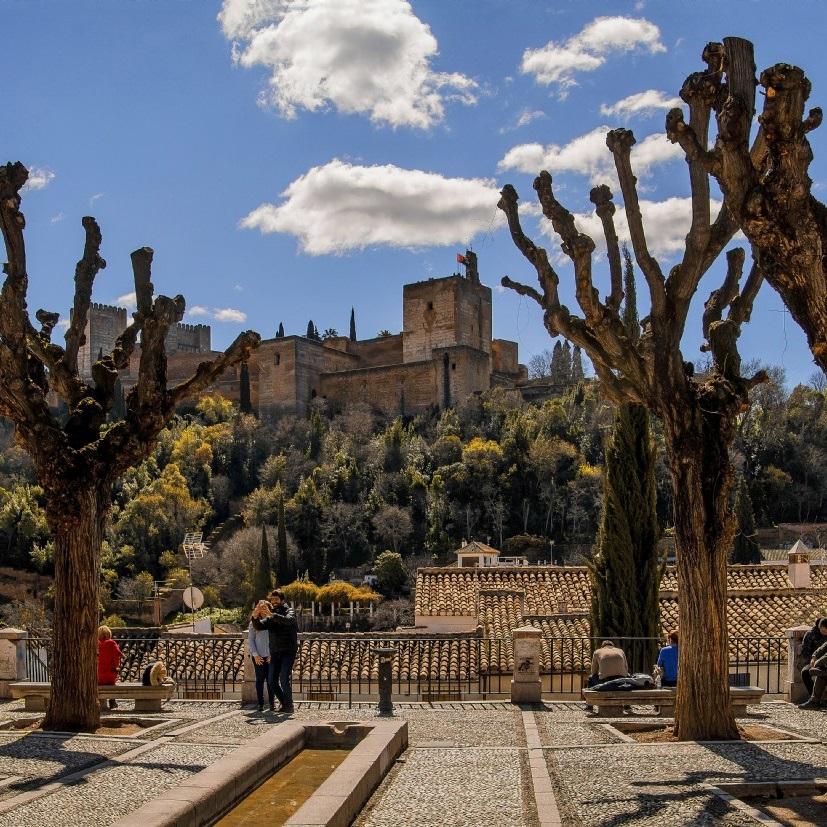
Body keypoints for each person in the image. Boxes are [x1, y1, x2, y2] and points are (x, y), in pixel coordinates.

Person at [258, 590, 298, 714]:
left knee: (284, 678)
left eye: (276, 599)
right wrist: (255, 616)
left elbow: (288, 620)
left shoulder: (289, 611)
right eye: (272, 600)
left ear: (282, 601)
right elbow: (259, 626)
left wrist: (271, 615)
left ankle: (289, 706)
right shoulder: (271, 615)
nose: (274, 602)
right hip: (275, 652)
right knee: (271, 681)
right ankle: (285, 703)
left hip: (288, 651)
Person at [586, 640, 630, 711]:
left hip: (605, 683)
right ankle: (627, 705)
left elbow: (593, 671)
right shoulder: (620, 651)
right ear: (612, 646)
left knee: (591, 678)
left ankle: (589, 705)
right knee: (628, 676)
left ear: (602, 647)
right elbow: (626, 668)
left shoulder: (597, 652)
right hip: (621, 682)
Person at [248, 601, 275, 712]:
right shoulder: (254, 623)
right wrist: (255, 655)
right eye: (261, 608)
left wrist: (272, 654)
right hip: (258, 657)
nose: (263, 610)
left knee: (271, 680)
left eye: (265, 608)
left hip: (271, 656)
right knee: (260, 680)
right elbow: (251, 639)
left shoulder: (273, 622)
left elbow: (276, 639)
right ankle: (260, 704)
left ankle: (272, 704)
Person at [97, 625, 122, 710]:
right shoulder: (111, 643)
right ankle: (112, 701)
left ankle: (111, 701)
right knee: (112, 678)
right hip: (109, 677)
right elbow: (117, 656)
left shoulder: (95, 643)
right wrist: (116, 667)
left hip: (97, 676)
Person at [801, 618, 827, 697]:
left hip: (825, 661)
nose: (825, 633)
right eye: (824, 631)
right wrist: (813, 659)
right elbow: (805, 652)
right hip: (813, 662)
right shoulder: (810, 634)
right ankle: (813, 697)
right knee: (805, 672)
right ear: (820, 627)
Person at [799, 636, 827, 709]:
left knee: (818, 673)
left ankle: (814, 701)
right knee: (819, 675)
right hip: (818, 664)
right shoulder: (811, 634)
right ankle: (814, 701)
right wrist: (814, 656)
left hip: (821, 664)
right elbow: (823, 647)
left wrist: (818, 662)